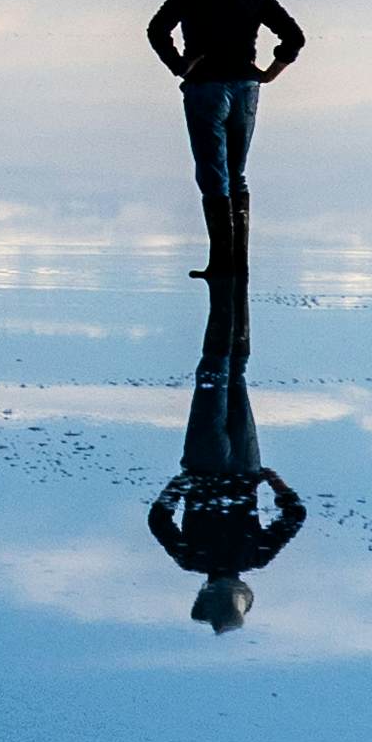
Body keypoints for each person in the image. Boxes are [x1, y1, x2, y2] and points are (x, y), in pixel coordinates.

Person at [148, 256, 305, 632]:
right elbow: (158, 518)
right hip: (206, 465)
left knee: (233, 377)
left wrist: (272, 481)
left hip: (245, 467)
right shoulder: (192, 559)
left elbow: (295, 514)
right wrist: (180, 484)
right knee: (216, 377)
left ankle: (230, 287)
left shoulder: (254, 557)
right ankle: (229, 286)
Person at [144, 0, 302, 253]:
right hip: (246, 88)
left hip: (205, 89)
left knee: (213, 176)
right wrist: (270, 73)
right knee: (237, 174)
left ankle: (221, 263)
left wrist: (180, 65)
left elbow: (156, 31)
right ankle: (237, 262)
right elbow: (294, 37)